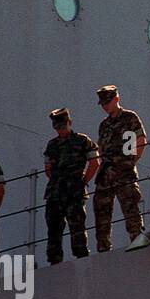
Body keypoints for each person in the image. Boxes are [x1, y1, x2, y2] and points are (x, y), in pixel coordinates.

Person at [93, 85, 148, 251]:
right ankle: (103, 248)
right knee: (102, 211)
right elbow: (101, 149)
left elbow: (140, 141)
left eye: (107, 102)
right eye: (102, 103)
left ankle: (137, 241)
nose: (105, 106)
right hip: (106, 173)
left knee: (130, 207)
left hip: (124, 172)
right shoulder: (104, 125)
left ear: (116, 98)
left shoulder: (129, 118)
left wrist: (130, 162)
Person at [43, 108, 99, 263]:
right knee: (54, 230)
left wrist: (83, 182)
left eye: (62, 126)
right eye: (57, 127)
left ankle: (81, 259)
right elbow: (48, 169)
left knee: (77, 228)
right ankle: (54, 262)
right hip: (55, 194)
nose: (60, 130)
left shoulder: (82, 140)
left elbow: (95, 162)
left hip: (74, 192)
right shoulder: (52, 145)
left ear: (69, 123)